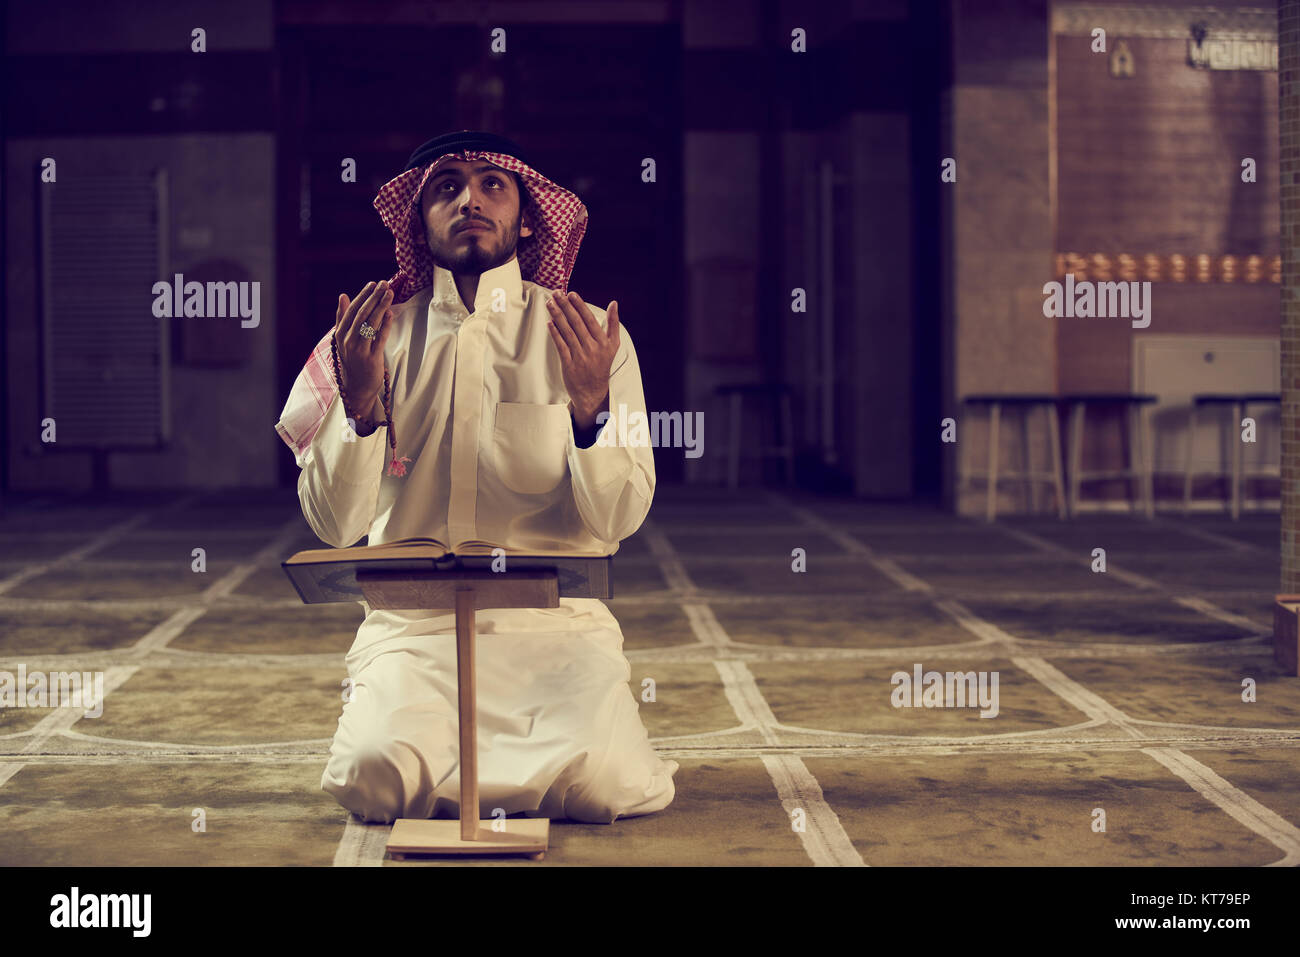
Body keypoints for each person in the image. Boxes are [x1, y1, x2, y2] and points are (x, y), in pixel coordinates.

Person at [274, 130, 678, 824]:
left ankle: (481, 768)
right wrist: (363, 407)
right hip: (415, 630)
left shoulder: (591, 340)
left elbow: (619, 520)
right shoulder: (372, 339)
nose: (470, 200)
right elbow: (336, 526)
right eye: (447, 186)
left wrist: (589, 413)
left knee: (606, 785)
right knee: (371, 778)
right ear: (417, 218)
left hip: (555, 629)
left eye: (493, 183)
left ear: (527, 218)